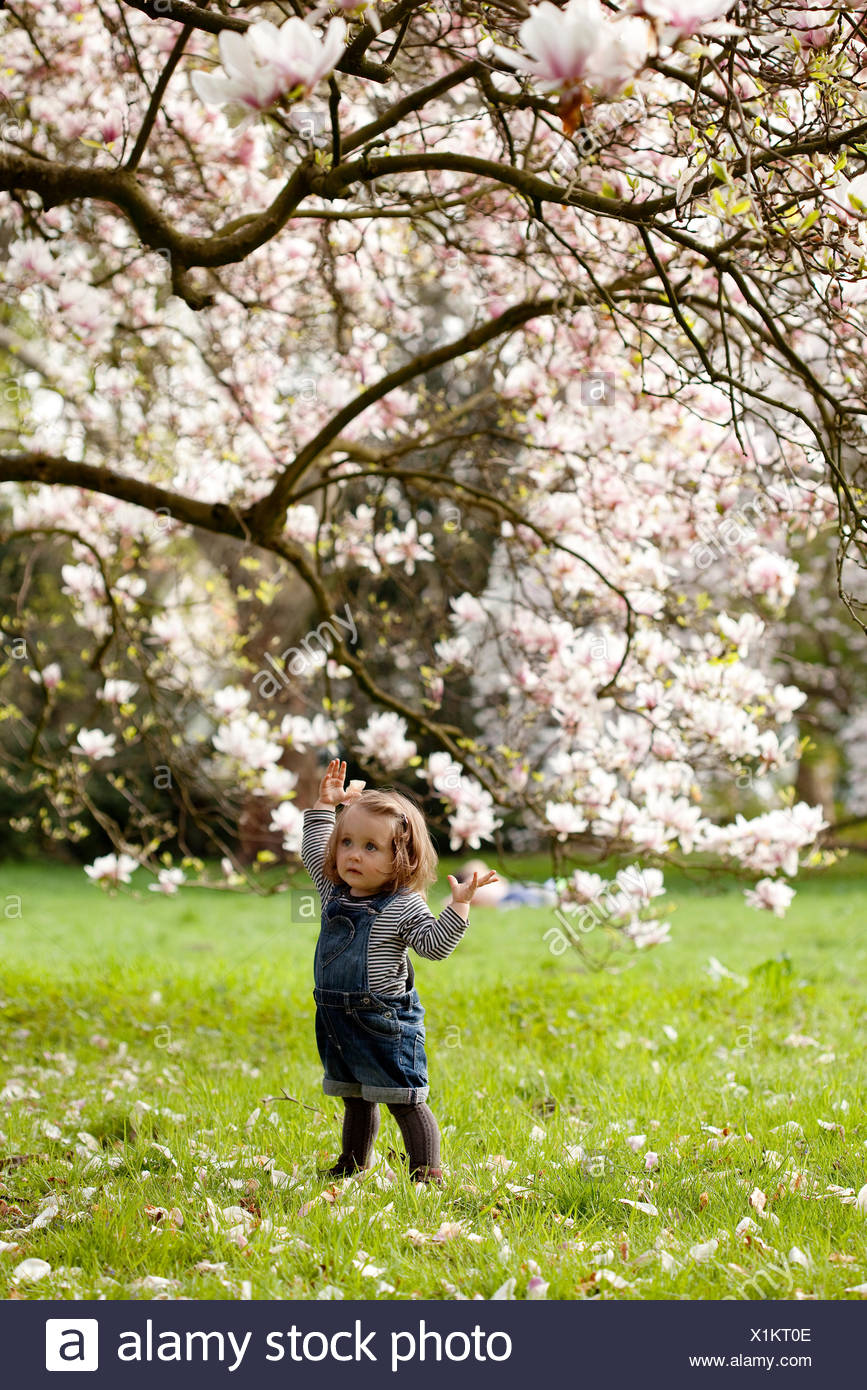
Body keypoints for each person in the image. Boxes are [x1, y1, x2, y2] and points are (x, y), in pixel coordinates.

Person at [301, 758, 498, 1186]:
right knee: (356, 1097)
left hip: (384, 1021)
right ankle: (352, 1164)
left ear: (401, 858)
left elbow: (434, 945)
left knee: (404, 1099)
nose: (354, 854)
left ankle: (427, 1174)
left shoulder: (403, 905)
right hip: (337, 1019)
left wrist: (460, 904)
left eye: (371, 847)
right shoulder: (333, 890)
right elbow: (314, 850)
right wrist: (322, 805)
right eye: (347, 842)